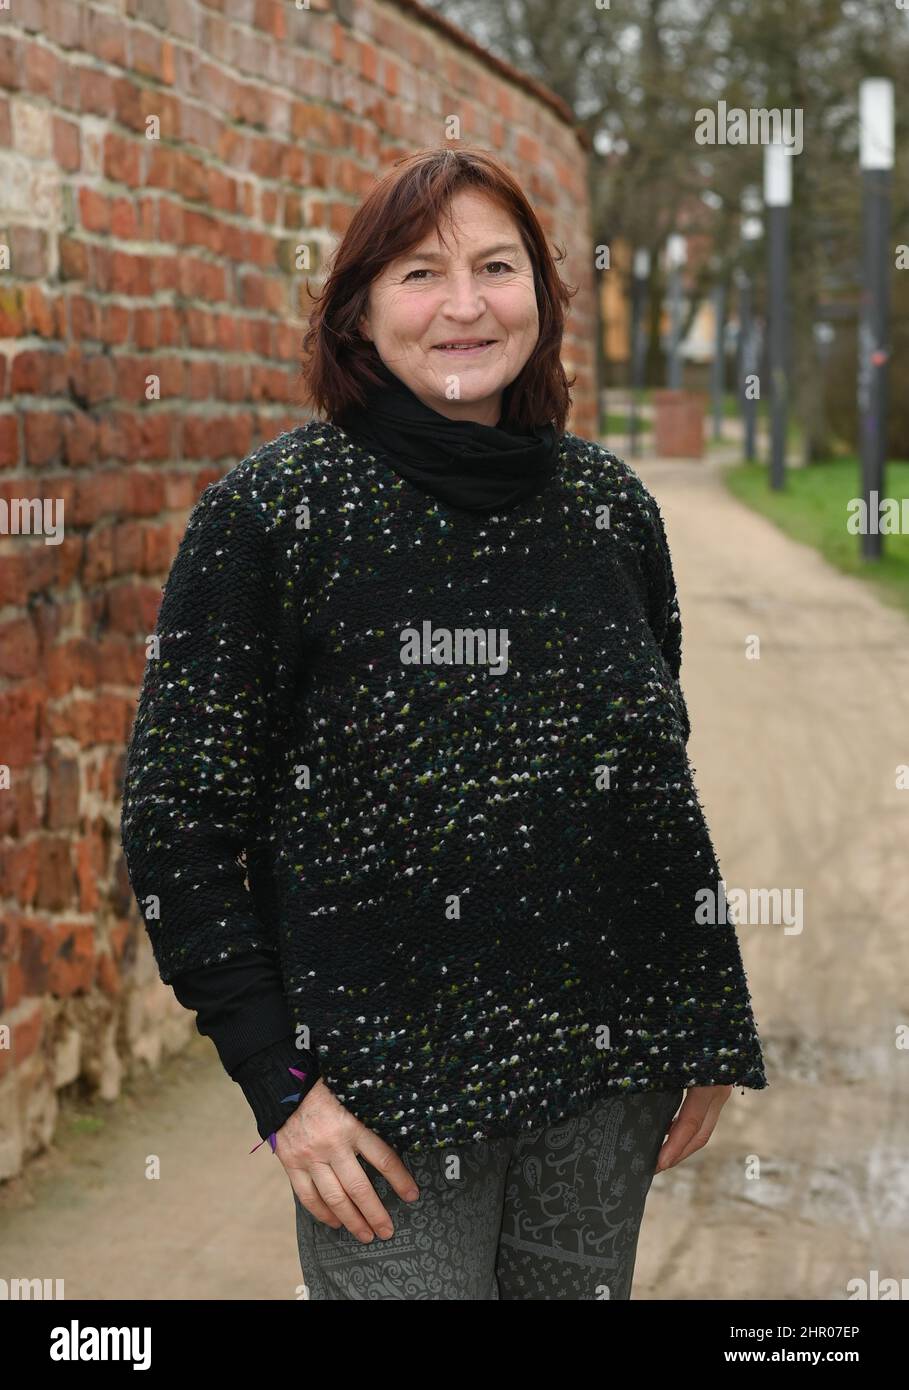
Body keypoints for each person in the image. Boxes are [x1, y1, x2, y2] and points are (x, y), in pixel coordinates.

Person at [120, 145, 767, 1301]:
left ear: (542, 295)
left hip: (603, 1080)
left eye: (496, 266)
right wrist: (281, 1089)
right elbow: (177, 820)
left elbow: (651, 787)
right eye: (420, 274)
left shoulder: (610, 511)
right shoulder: (274, 519)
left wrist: (696, 1019)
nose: (465, 305)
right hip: (384, 1112)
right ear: (360, 313)